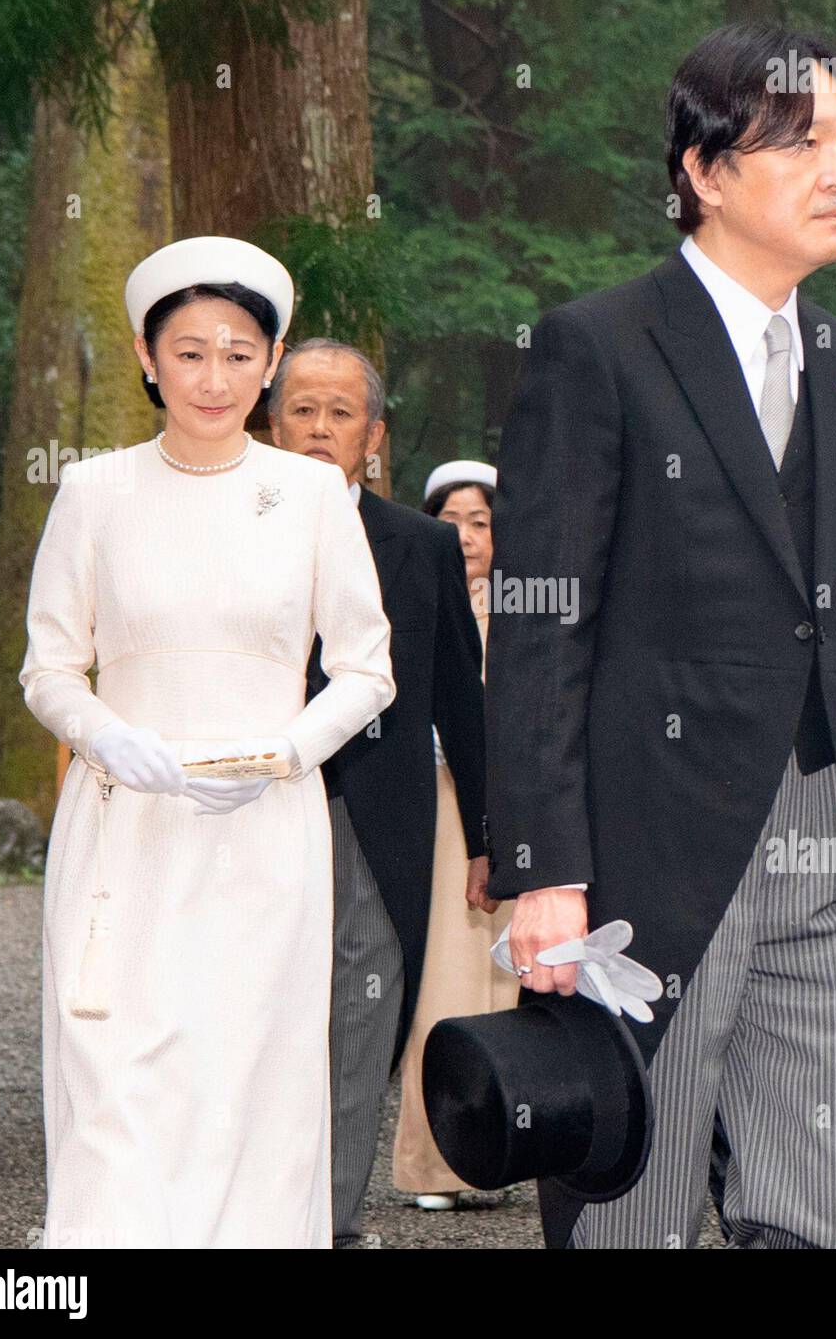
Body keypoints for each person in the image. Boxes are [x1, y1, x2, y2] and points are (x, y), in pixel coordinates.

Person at [484, 22, 836, 1249]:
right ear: (703, 170)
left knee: (832, 1206)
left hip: (831, 836)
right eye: (798, 144)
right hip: (653, 854)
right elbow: (540, 627)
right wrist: (540, 869)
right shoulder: (600, 347)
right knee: (631, 1199)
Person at [19, 237, 395, 1249]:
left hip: (263, 833)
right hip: (125, 829)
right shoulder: (95, 494)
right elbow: (49, 666)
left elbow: (367, 667)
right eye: (189, 353)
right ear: (147, 358)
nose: (214, 377)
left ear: (270, 366)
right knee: (117, 1088)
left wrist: (282, 754)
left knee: (251, 1083)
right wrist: (108, 735)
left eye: (239, 353)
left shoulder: (311, 497)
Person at [266, 342, 488, 1246]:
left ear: (375, 436)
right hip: (246, 819)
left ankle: (329, 1222)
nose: (320, 429)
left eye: (340, 413)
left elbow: (461, 701)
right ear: (269, 422)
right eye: (301, 411)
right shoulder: (222, 531)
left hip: (377, 818)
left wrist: (486, 837)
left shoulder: (423, 545)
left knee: (360, 1024)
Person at [391, 462, 520, 1211]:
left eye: (481, 522)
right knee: (442, 976)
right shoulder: (414, 601)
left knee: (506, 980)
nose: (466, 537)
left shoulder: (532, 610)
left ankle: (504, 1149)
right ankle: (433, 1160)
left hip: (518, 808)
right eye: (452, 520)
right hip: (440, 808)